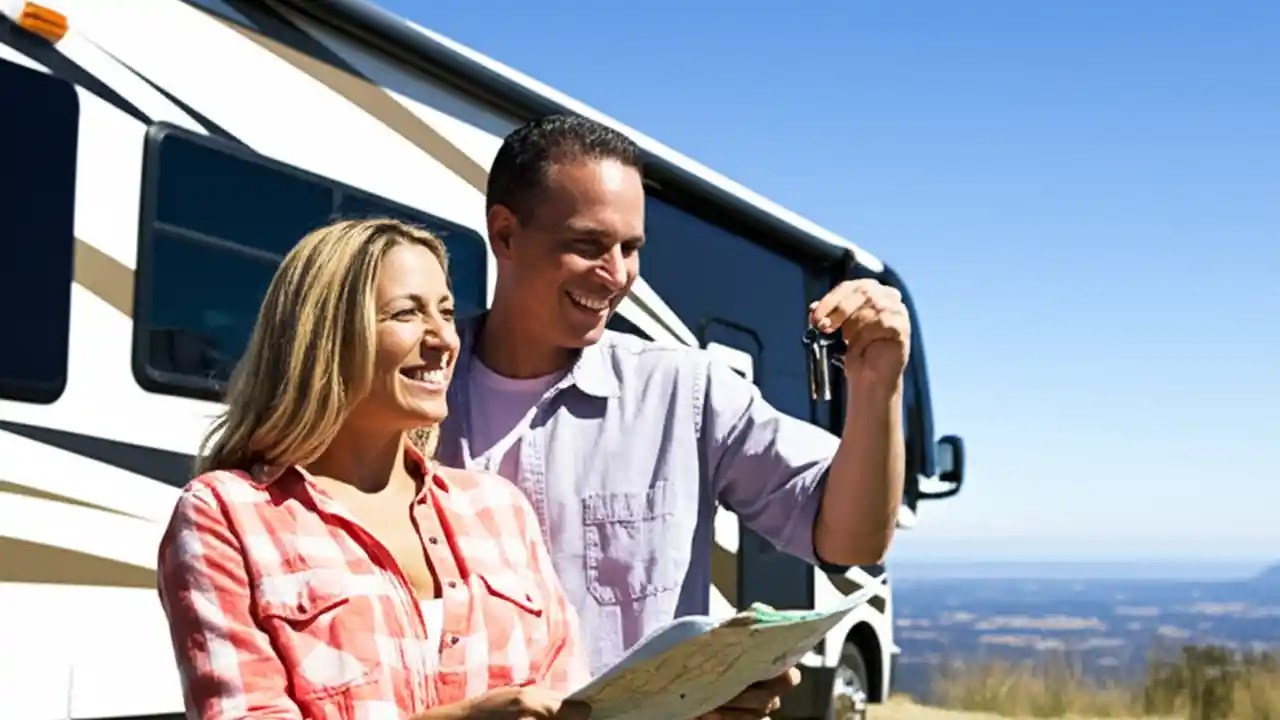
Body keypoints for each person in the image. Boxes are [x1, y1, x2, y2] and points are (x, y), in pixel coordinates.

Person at [436, 113, 911, 717]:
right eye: (587, 245)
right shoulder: (407, 399)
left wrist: (877, 388)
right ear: (504, 234)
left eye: (630, 248)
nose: (617, 276)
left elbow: (853, 538)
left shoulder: (686, 392)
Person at [156, 218, 591, 720]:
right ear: (325, 335)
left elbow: (571, 698)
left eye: (446, 312)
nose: (443, 339)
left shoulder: (500, 509)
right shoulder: (227, 515)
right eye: (407, 313)